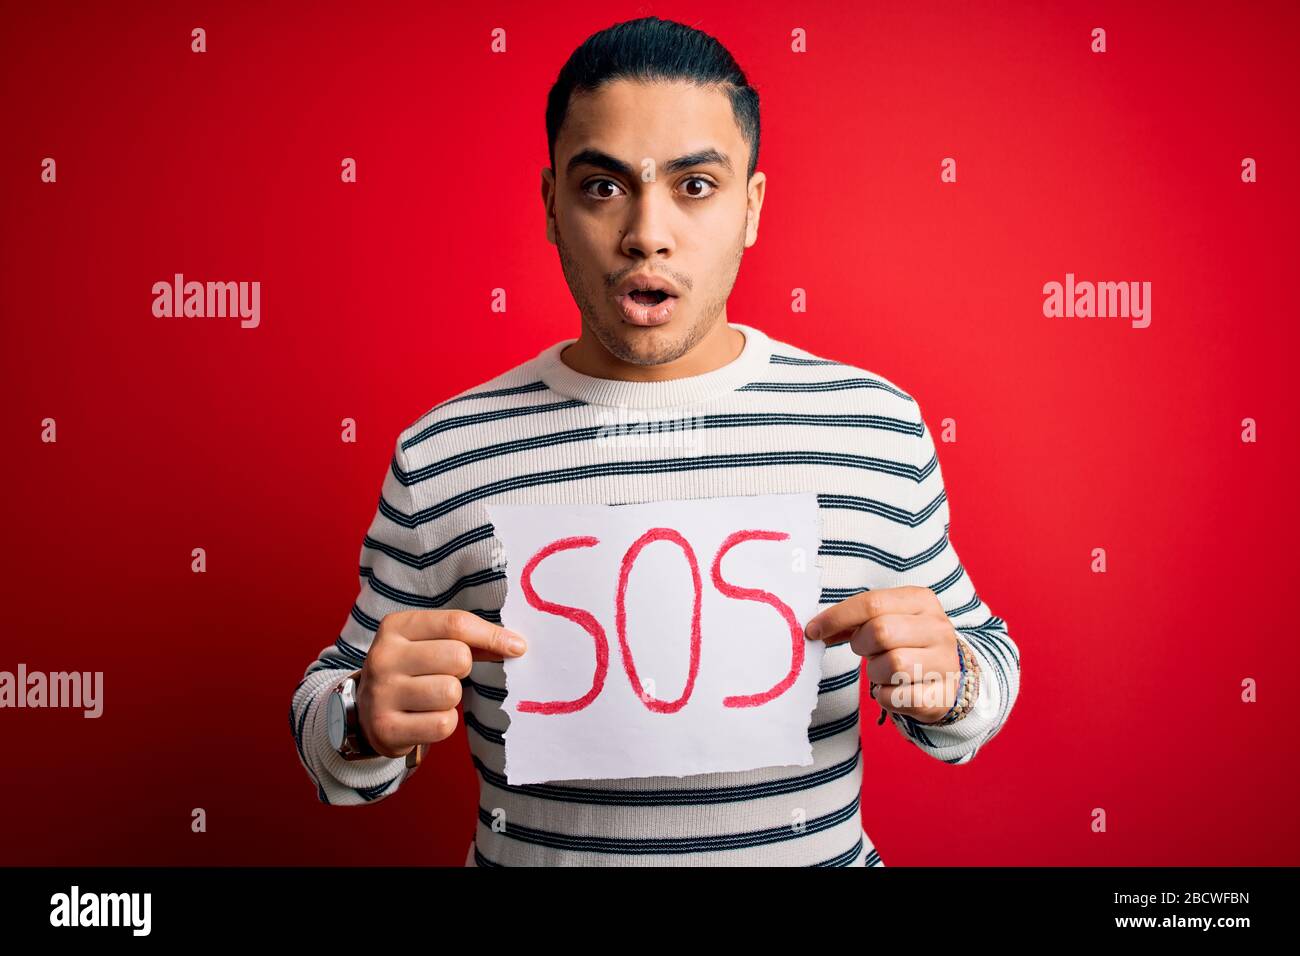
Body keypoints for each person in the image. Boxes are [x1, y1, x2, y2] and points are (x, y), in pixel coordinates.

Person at [290, 15, 1020, 866]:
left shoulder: (873, 425)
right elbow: (333, 717)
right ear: (551, 207)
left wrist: (950, 681)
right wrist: (358, 719)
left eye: (696, 185)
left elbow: (983, 672)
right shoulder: (444, 449)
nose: (647, 233)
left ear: (750, 207)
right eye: (602, 187)